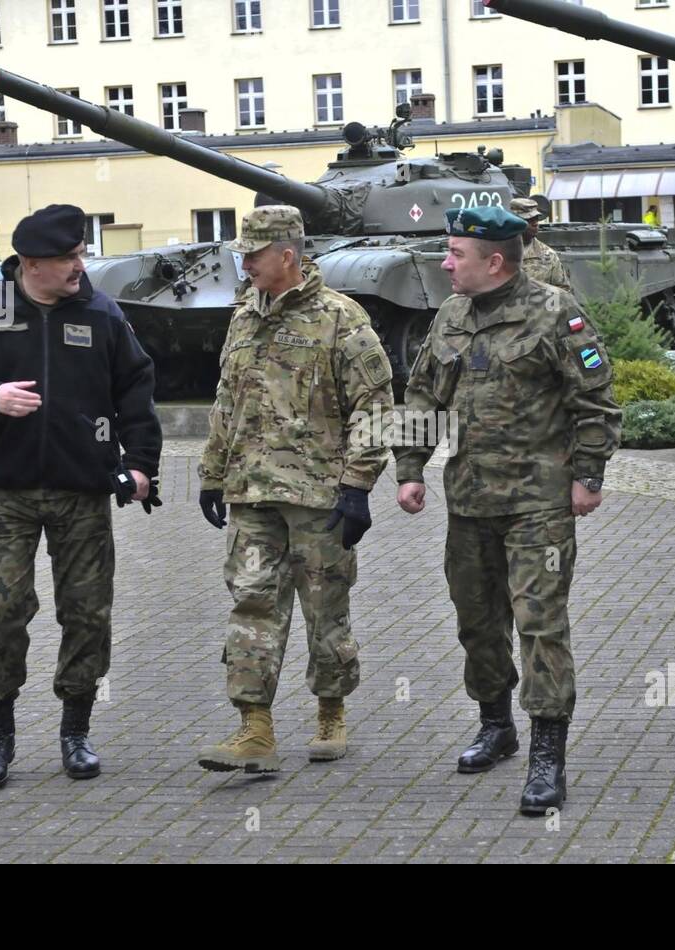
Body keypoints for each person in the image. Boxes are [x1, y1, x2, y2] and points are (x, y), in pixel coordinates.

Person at [0, 203, 162, 789]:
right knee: (0, 611)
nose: (80, 265)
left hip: (83, 494)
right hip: (6, 492)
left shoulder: (102, 313)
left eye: (80, 253)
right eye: (67, 258)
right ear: (30, 265)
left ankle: (75, 730)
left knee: (86, 613)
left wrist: (141, 465)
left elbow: (136, 392)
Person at [395, 204, 622, 814]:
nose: (445, 264)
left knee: (540, 624)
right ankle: (496, 724)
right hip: (468, 501)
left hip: (537, 505)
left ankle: (549, 756)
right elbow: (422, 397)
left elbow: (596, 404)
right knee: (475, 622)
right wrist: (410, 470)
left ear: (494, 261)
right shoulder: (449, 316)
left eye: (455, 255)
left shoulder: (556, 313)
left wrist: (588, 477)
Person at [196, 205, 393, 773]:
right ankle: (254, 728)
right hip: (251, 493)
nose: (245, 263)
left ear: (288, 254)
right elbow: (226, 402)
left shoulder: (341, 317)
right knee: (252, 602)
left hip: (320, 499)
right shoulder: (243, 317)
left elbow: (374, 405)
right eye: (242, 254)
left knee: (324, 609)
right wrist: (213, 473)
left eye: (253, 254)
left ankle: (331, 710)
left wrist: (358, 485)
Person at [510, 196, 572, 294]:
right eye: (529, 219)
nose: (535, 223)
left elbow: (563, 291)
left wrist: (547, 307)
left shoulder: (548, 256)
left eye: (536, 219)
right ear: (514, 221)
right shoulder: (499, 252)